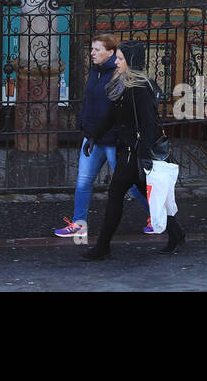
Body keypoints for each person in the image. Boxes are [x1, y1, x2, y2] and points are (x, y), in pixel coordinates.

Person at [80, 42, 185, 260]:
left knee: (116, 194)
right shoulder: (123, 83)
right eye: (116, 58)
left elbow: (149, 124)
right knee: (151, 196)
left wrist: (145, 155)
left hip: (135, 153)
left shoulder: (139, 88)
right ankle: (176, 233)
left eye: (120, 58)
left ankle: (103, 247)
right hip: (128, 151)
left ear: (131, 62)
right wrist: (94, 137)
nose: (116, 62)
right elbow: (111, 115)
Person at [53, 35, 151, 239]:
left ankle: (157, 216)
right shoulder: (95, 72)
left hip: (115, 141)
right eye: (92, 49)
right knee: (83, 182)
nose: (92, 53)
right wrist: (86, 127)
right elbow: (90, 103)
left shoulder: (119, 75)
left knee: (131, 184)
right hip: (94, 138)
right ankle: (79, 224)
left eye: (97, 49)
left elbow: (118, 111)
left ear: (111, 52)